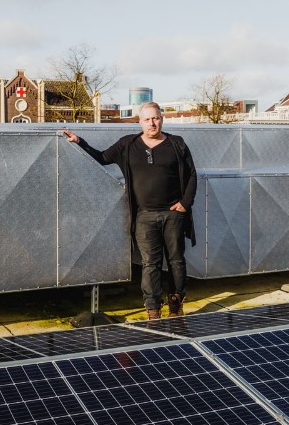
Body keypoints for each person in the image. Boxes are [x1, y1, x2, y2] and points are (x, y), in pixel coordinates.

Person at [62, 102, 197, 320]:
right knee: (150, 264)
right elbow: (103, 158)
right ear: (140, 121)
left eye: (155, 118)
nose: (152, 123)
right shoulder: (128, 144)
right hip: (144, 216)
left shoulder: (176, 144)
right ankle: (153, 310)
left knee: (176, 261)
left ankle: (176, 306)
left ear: (162, 119)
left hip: (173, 214)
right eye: (147, 119)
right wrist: (80, 142)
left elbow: (192, 175)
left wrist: (185, 203)